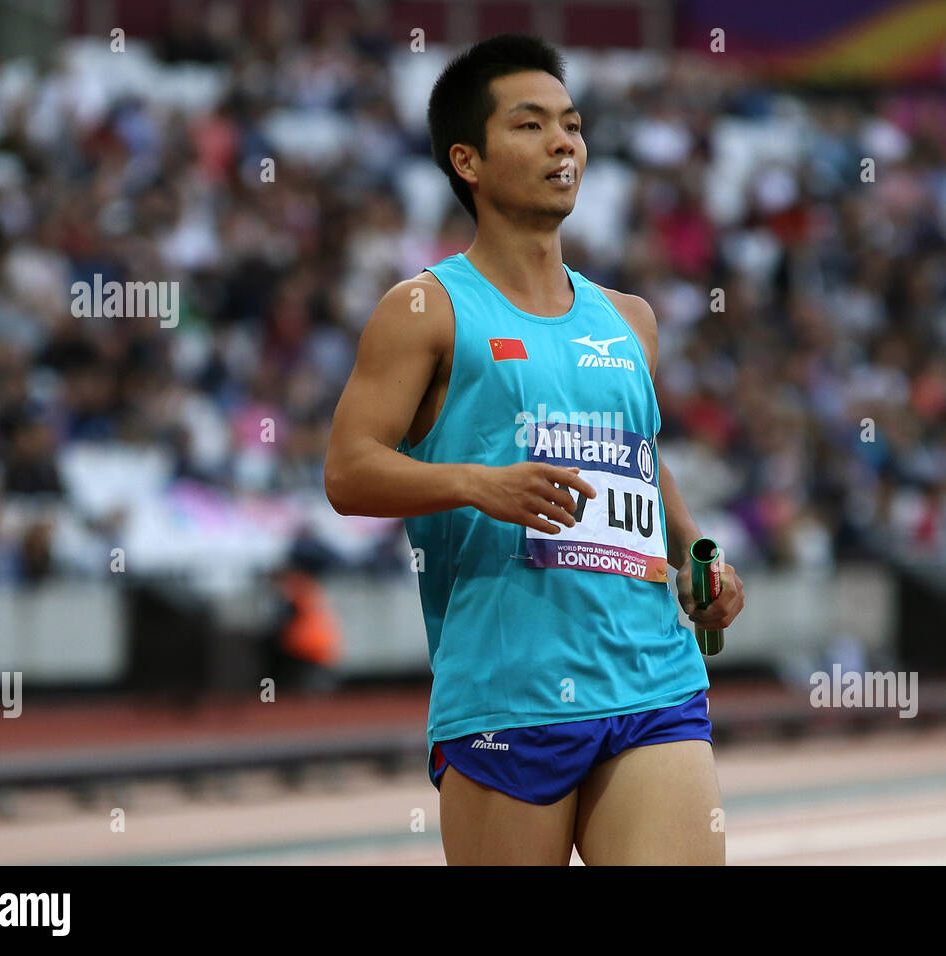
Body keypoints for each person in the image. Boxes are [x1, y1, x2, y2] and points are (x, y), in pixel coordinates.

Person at [324, 33, 744, 865]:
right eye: (531, 125)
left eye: (574, 125)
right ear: (467, 160)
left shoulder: (630, 320)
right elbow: (348, 470)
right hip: (509, 695)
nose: (564, 144)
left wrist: (698, 555)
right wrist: (479, 484)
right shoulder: (426, 310)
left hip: (652, 677)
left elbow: (639, 460)